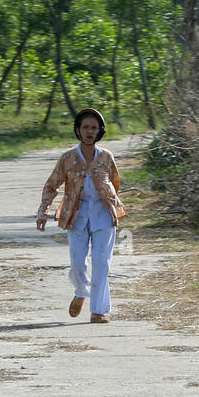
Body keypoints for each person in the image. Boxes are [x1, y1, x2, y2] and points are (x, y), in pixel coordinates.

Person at [35, 108, 127, 323]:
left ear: (99, 131)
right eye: (85, 127)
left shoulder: (106, 157)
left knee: (102, 262)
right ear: (78, 130)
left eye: (94, 128)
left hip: (103, 213)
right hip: (75, 214)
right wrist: (43, 212)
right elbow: (51, 185)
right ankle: (81, 290)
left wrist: (110, 201)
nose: (89, 131)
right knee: (77, 262)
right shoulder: (68, 158)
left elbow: (115, 182)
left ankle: (99, 310)